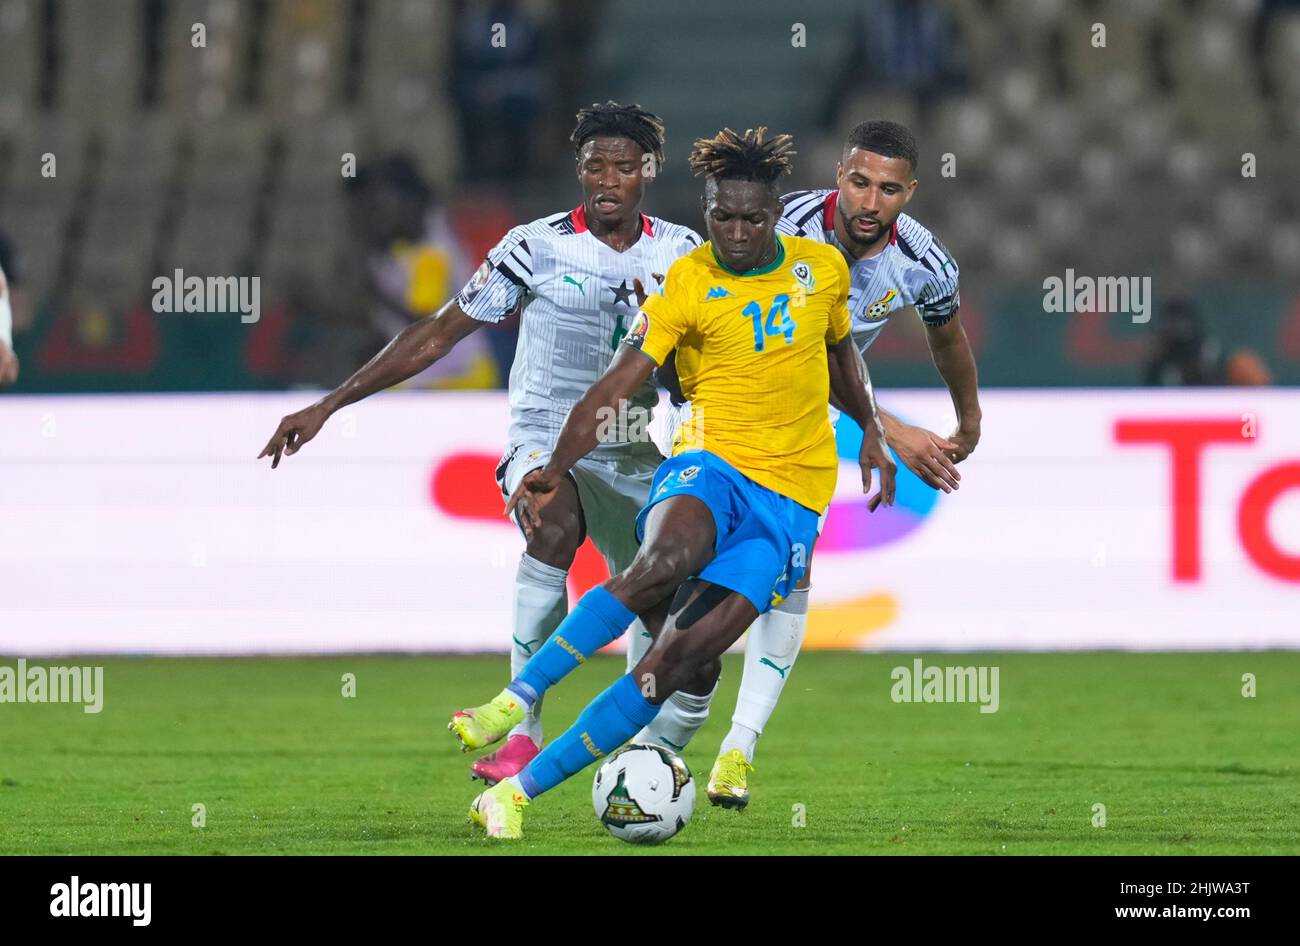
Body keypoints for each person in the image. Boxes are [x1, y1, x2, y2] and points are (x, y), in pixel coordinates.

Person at [448, 127, 897, 839]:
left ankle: (515, 795)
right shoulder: (687, 280)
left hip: (790, 504)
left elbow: (842, 357)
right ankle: (516, 699)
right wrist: (553, 468)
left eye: (752, 218)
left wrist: (872, 428)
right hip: (708, 465)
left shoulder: (823, 272)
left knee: (674, 663)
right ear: (707, 209)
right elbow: (616, 385)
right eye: (723, 217)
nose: (737, 233)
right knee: (654, 567)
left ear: (775, 213)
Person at [258, 103, 702, 782]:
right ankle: (521, 732)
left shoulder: (683, 255)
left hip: (637, 448)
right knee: (551, 528)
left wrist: (665, 335)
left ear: (649, 170)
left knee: (657, 592)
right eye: (594, 165)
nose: (607, 179)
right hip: (546, 439)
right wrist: (331, 402)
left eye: (623, 166)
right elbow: (437, 333)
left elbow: (693, 377)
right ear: (578, 170)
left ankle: (643, 748)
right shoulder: (536, 245)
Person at [656, 120, 984, 809]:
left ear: (909, 193)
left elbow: (947, 335)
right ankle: (658, 727)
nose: (870, 201)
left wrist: (969, 418)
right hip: (718, 402)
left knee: (791, 572)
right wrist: (887, 428)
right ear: (839, 176)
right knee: (673, 572)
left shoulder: (924, 262)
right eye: (859, 182)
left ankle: (736, 750)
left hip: (803, 420)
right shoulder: (786, 229)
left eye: (889, 189)